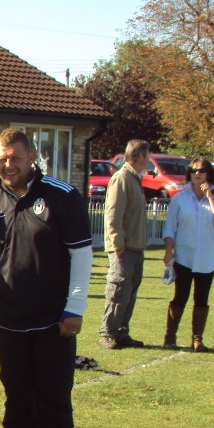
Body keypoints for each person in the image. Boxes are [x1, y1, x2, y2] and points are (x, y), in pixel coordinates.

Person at [0, 128, 92, 428]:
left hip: (53, 320)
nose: (8, 165)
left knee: (54, 395)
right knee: (16, 393)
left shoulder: (62, 195)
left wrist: (74, 307)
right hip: (9, 318)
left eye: (15, 158)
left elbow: (81, 254)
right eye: (2, 158)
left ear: (31, 158)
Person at [162, 158, 214, 352]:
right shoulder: (180, 198)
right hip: (184, 256)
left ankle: (197, 339)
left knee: (201, 298)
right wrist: (168, 251)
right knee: (180, 297)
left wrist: (210, 196)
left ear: (208, 174)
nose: (197, 174)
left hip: (207, 257)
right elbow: (170, 228)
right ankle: (170, 337)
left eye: (201, 171)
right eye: (193, 171)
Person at [98, 139, 150, 350]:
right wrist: (118, 244)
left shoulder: (134, 178)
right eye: (147, 155)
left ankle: (121, 332)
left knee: (129, 292)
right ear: (137, 157)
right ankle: (107, 332)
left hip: (136, 247)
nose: (149, 160)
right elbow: (113, 214)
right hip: (124, 247)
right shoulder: (121, 178)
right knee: (118, 289)